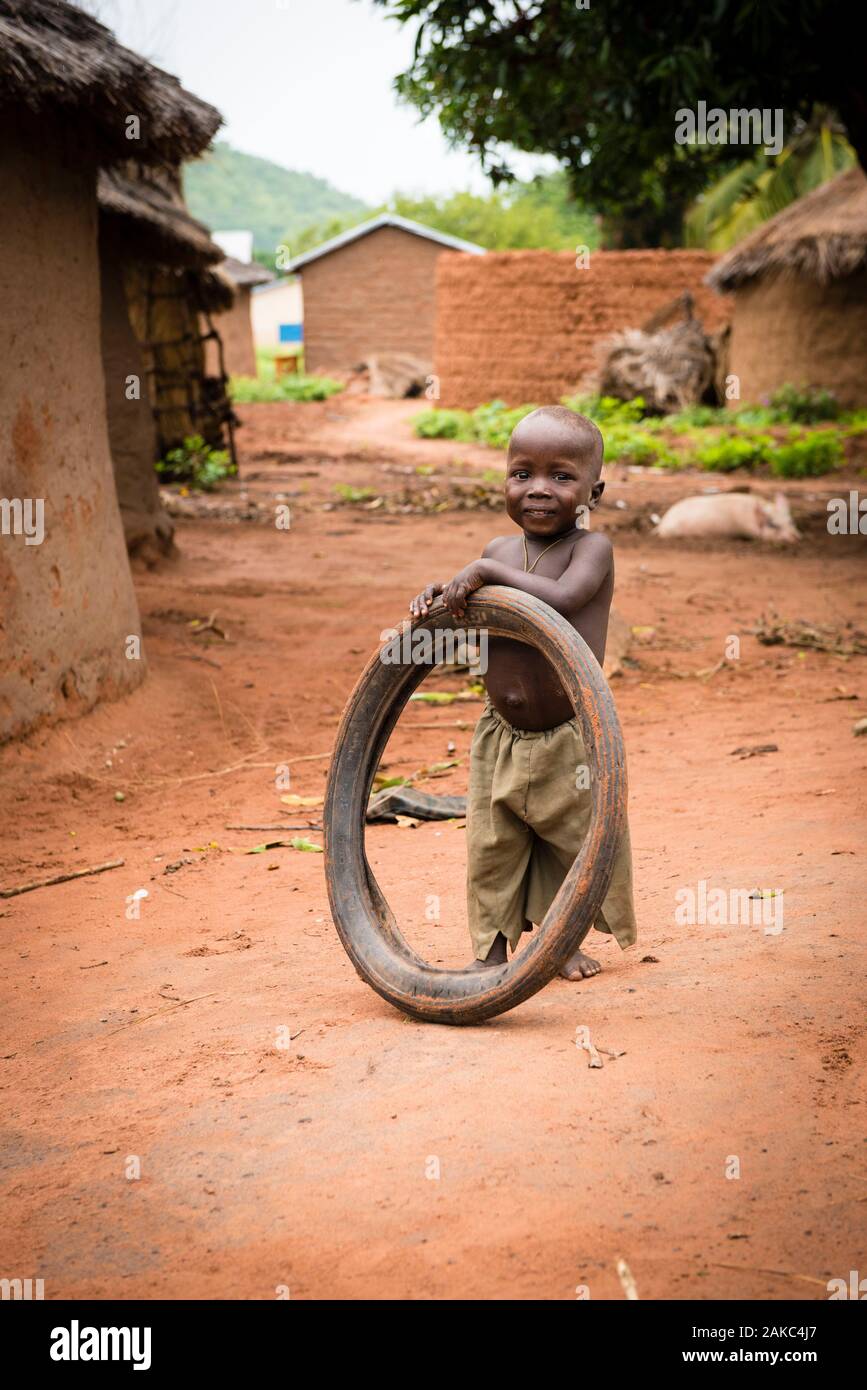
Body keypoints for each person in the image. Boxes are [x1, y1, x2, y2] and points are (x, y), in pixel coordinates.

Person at [409, 405, 636, 979]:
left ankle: (563, 944)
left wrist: (484, 571)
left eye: (561, 476)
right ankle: (490, 951)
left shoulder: (592, 550)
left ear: (594, 490)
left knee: (571, 843)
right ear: (504, 480)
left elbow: (559, 600)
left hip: (570, 736)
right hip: (500, 734)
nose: (538, 490)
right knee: (493, 845)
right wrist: (438, 598)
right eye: (521, 474)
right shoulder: (498, 551)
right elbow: (464, 609)